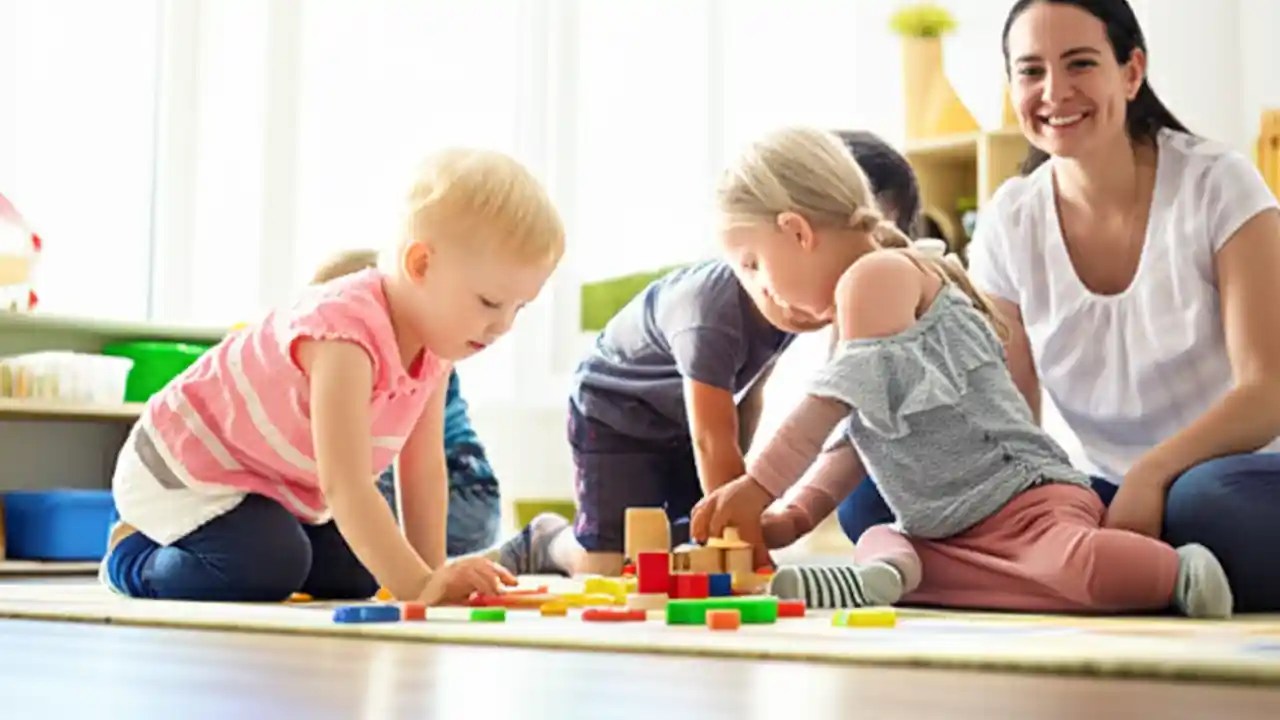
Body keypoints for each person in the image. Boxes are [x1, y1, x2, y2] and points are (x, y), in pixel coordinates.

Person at [839, 0, 1280, 613]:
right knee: (871, 499)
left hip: (1235, 474)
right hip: (1098, 495)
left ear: (1131, 72)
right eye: (1031, 71)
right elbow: (1007, 416)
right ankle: (1138, 572)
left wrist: (1152, 475)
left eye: (1080, 64)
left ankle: (1086, 573)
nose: (1055, 92)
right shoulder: (1010, 221)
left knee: (1205, 507)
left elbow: (1266, 392)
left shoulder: (1218, 184)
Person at [690, 125, 1232, 619]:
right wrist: (796, 517)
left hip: (1025, 506)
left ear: (797, 231)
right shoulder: (859, 302)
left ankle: (1176, 570)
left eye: (753, 263)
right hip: (951, 528)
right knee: (886, 539)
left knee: (1075, 569)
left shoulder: (876, 277)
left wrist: (757, 484)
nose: (756, 286)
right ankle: (885, 579)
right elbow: (859, 439)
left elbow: (827, 407)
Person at [100, 148, 564, 603]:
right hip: (187, 474)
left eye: (518, 309)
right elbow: (346, 483)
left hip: (272, 488)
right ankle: (132, 558)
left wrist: (430, 578)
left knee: (363, 570)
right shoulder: (344, 334)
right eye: (489, 303)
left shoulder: (435, 348)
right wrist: (416, 586)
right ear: (421, 264)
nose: (503, 326)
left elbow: (422, 470)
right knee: (268, 566)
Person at [493, 131, 924, 578]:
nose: (759, 282)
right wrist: (747, 544)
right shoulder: (713, 314)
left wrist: (738, 496)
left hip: (682, 415)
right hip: (614, 408)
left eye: (759, 264)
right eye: (748, 267)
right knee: (608, 564)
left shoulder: (791, 302)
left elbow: (749, 394)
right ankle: (548, 540)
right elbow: (711, 439)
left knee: (689, 538)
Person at [310, 249, 503, 557]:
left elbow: (418, 466)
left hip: (462, 495)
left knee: (350, 476)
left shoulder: (420, 356)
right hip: (474, 505)